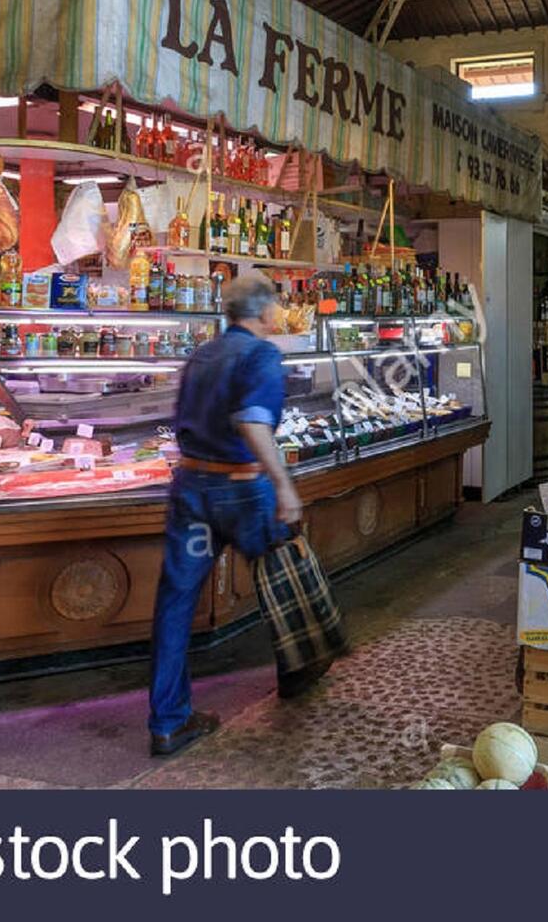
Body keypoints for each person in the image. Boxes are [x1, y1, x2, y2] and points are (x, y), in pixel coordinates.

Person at [147, 274, 339, 759]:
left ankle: (167, 723)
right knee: (285, 573)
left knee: (175, 604)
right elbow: (253, 421)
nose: (278, 313)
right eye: (275, 306)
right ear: (264, 313)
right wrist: (283, 484)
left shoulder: (202, 354)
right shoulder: (260, 354)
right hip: (242, 487)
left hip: (191, 487)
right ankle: (300, 669)